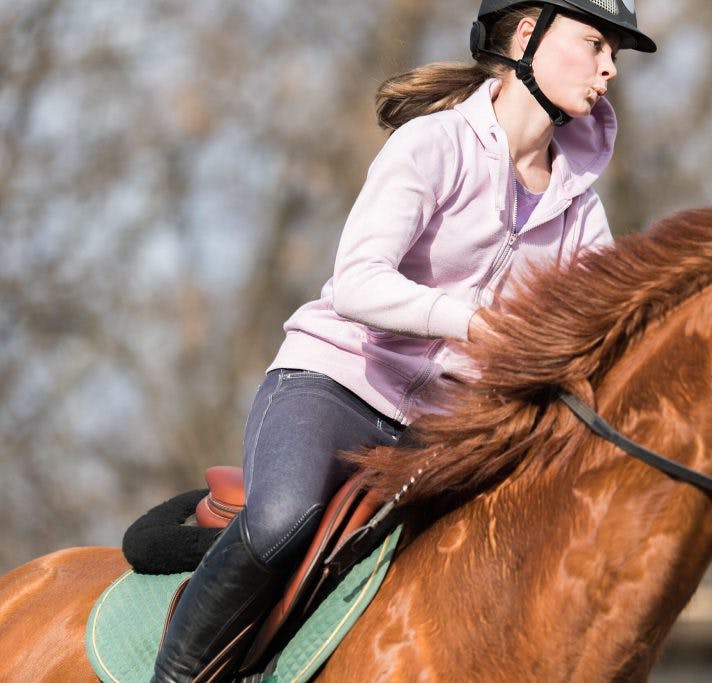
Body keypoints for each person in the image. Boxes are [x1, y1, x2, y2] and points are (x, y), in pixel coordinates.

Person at [151, 1, 656, 680]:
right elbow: (357, 283)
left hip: (444, 428)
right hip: (335, 385)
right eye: (596, 43)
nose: (608, 69)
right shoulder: (433, 145)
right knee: (281, 519)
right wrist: (472, 320)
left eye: (615, 55)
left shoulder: (582, 209)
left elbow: (597, 338)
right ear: (529, 35)